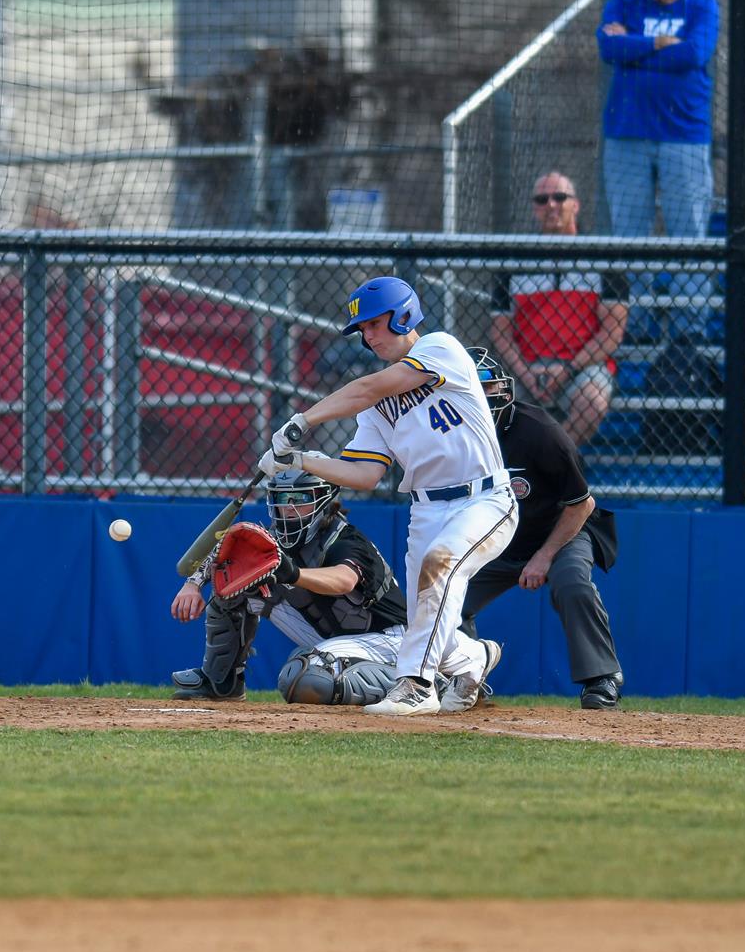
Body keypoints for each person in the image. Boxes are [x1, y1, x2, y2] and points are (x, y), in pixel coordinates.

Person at [261, 275, 519, 717]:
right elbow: (364, 474)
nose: (368, 335)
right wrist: (301, 461)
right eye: (362, 329)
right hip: (426, 508)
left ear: (403, 316)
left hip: (485, 499)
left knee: (441, 566)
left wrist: (303, 420)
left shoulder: (439, 348)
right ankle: (472, 658)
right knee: (421, 614)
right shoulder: (379, 407)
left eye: (375, 324)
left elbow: (369, 388)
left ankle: (416, 685)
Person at [167, 469, 501, 712]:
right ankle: (222, 682)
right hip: (335, 638)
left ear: (324, 504)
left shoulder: (345, 539)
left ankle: (431, 680)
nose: (288, 510)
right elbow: (226, 554)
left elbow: (344, 580)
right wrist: (193, 583)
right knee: (236, 589)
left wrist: (293, 573)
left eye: (299, 500)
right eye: (281, 501)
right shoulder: (276, 539)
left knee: (304, 680)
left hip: (390, 637)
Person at [460, 348, 624, 710]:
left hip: (561, 532)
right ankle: (464, 676)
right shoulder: (450, 437)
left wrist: (544, 556)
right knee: (447, 595)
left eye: (486, 389)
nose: (480, 399)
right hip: (497, 539)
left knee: (572, 582)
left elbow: (583, 502)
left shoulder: (539, 431)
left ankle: (602, 678)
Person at [596, 0, 720, 333]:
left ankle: (689, 328)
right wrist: (659, 42)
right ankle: (635, 323)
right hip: (626, 133)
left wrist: (634, 46)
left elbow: (694, 53)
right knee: (630, 235)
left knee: (688, 235)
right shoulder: (623, 1)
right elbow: (607, 49)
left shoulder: (702, 5)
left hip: (684, 135)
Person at [488, 171, 628, 446]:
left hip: (583, 367)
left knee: (592, 404)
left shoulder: (602, 257)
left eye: (560, 197)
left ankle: (549, 461)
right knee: (483, 409)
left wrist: (567, 370)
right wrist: (527, 374)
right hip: (524, 366)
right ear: (534, 208)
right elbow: (500, 333)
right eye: (542, 199)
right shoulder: (515, 260)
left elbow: (613, 332)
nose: (551, 204)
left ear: (575, 204)